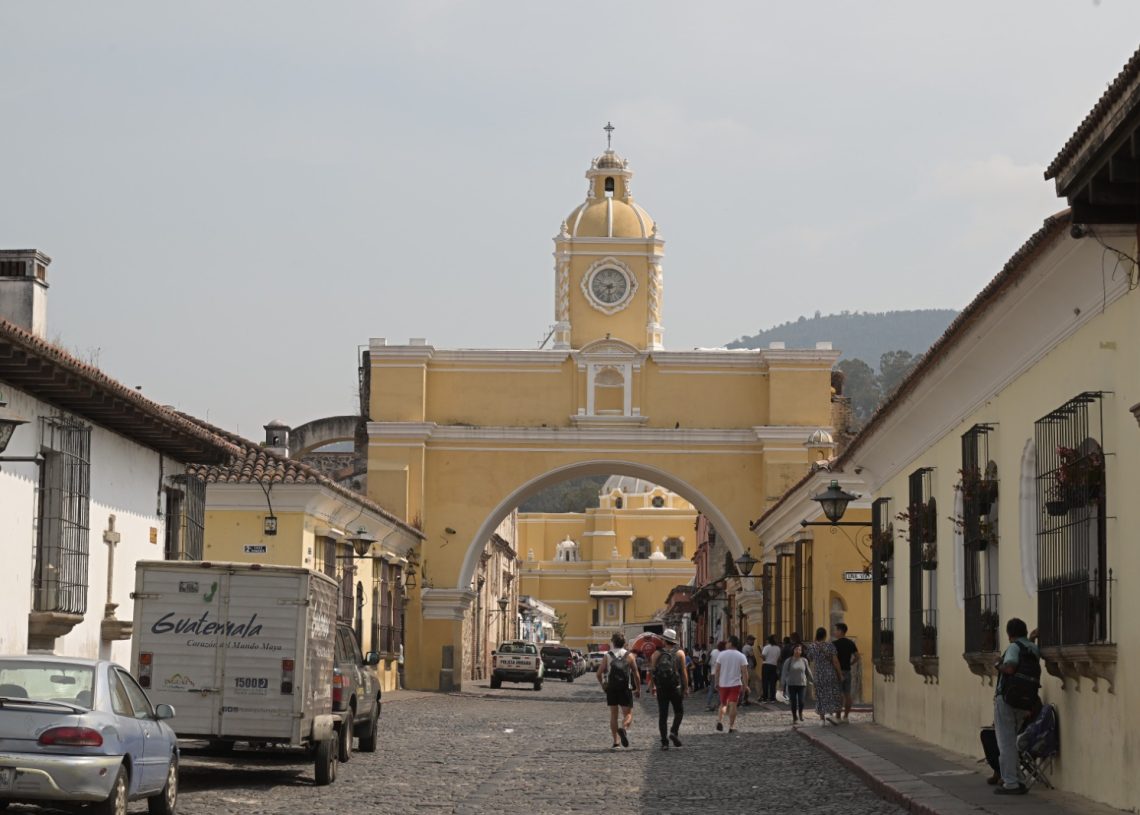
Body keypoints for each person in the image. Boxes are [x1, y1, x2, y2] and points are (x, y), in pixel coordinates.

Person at [993, 618, 1041, 795]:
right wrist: (1032, 638)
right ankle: (1019, 780)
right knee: (1012, 742)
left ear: (1009, 634)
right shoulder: (1032, 648)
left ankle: (1010, 783)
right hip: (1026, 701)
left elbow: (1011, 668)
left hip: (1006, 700)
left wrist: (998, 664)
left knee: (1005, 743)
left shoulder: (1013, 647)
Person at [596, 632, 641, 749]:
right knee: (628, 714)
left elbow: (599, 673)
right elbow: (636, 674)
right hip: (625, 688)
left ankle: (616, 742)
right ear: (624, 643)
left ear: (613, 642)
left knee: (613, 715)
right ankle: (624, 728)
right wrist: (638, 689)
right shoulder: (630, 656)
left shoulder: (608, 655)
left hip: (612, 688)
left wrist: (603, 685)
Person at [647, 628, 688, 750]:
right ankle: (674, 732)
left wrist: (652, 686)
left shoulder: (657, 654)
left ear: (664, 640)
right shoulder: (680, 653)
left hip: (661, 688)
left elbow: (652, 671)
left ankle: (664, 743)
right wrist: (686, 687)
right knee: (679, 712)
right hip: (675, 687)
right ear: (674, 641)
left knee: (663, 715)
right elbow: (683, 672)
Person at [806, 627, 843, 724]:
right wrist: (840, 674)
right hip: (830, 673)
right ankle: (834, 716)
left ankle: (822, 720)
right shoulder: (830, 646)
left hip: (818, 674)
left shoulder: (812, 647)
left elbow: (809, 658)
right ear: (825, 635)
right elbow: (835, 661)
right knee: (833, 694)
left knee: (820, 695)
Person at [713, 635, 750, 733]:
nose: (726, 644)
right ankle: (731, 726)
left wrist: (716, 682)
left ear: (731, 643)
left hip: (723, 683)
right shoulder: (741, 656)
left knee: (723, 704)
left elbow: (717, 670)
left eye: (727, 642)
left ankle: (720, 720)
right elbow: (745, 672)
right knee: (733, 704)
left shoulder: (721, 655)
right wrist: (745, 685)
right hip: (735, 684)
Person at [831, 623, 859, 721]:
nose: (835, 632)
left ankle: (838, 717)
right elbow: (857, 656)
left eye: (836, 630)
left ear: (840, 631)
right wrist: (851, 663)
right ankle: (846, 717)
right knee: (847, 694)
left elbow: (834, 660)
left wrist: (838, 672)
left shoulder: (834, 644)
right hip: (847, 671)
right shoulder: (851, 643)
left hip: (838, 672)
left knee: (839, 695)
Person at [780, 642, 810, 724]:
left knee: (801, 701)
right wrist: (782, 685)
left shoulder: (804, 660)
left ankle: (800, 713)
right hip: (791, 684)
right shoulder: (788, 661)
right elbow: (784, 673)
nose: (798, 651)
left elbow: (808, 672)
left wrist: (814, 681)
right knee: (793, 701)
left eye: (799, 650)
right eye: (796, 649)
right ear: (793, 650)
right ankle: (794, 717)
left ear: (801, 651)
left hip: (802, 684)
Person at [760, 635, 781, 703]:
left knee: (765, 682)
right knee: (773, 682)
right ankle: (772, 698)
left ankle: (765, 697)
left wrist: (762, 657)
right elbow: (779, 658)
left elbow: (763, 656)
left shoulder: (766, 647)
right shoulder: (778, 648)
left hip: (766, 665)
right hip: (774, 666)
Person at [705, 640, 725, 711]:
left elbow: (707, 661)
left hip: (712, 672)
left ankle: (708, 704)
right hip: (721, 673)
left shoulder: (713, 651)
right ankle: (719, 705)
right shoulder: (724, 654)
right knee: (720, 690)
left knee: (711, 689)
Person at [741, 635, 758, 705]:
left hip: (745, 666)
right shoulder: (748, 647)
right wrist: (755, 663)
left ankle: (744, 699)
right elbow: (752, 656)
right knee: (757, 681)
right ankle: (761, 696)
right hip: (749, 667)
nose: (753, 642)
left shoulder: (744, 647)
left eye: (753, 640)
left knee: (746, 683)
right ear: (748, 640)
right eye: (752, 640)